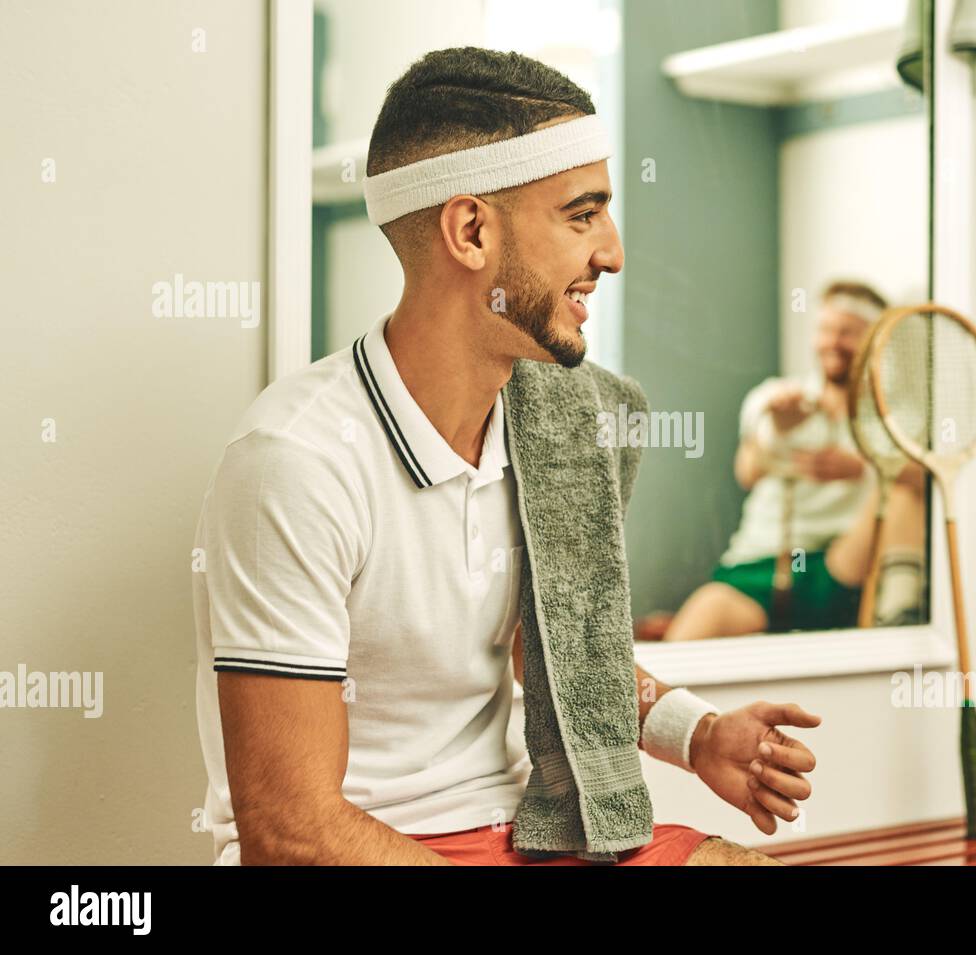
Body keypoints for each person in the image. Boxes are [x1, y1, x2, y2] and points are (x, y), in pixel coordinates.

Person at [191, 47, 818, 866]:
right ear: (472, 230)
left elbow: (554, 645)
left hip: (528, 832)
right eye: (582, 214)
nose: (613, 252)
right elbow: (293, 828)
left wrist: (694, 734)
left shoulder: (553, 428)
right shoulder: (297, 461)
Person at [660, 281, 927, 641]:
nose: (832, 342)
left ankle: (902, 618)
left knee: (902, 491)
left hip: (837, 568)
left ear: (874, 342)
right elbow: (748, 471)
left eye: (847, 332)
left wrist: (867, 467)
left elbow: (925, 479)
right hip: (761, 568)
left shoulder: (892, 421)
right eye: (826, 330)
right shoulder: (776, 398)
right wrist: (780, 431)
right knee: (687, 641)